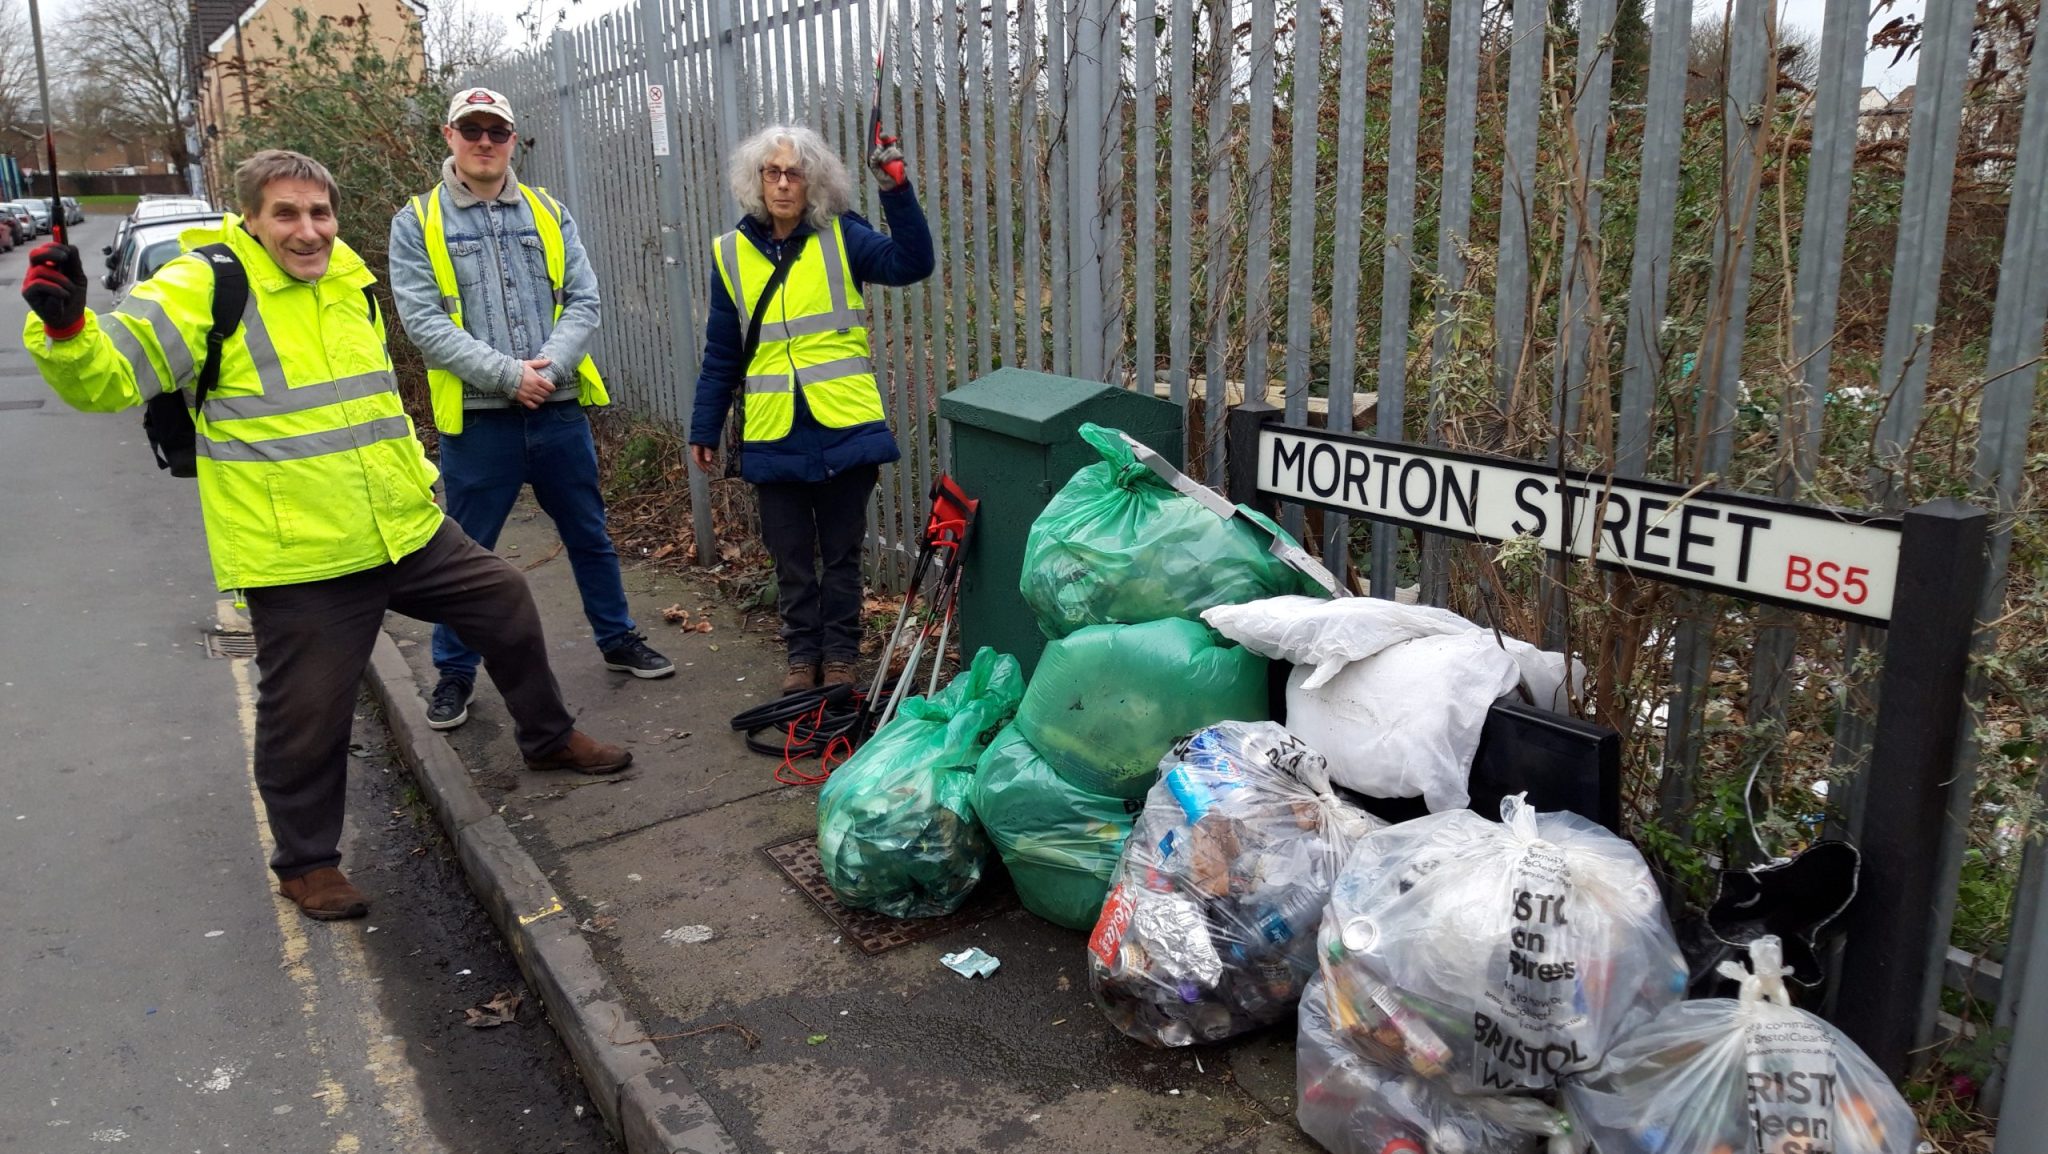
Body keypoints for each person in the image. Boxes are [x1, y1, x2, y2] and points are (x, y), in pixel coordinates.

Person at [19, 150, 632, 922]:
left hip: (401, 526)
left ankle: (547, 737)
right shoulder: (206, 282)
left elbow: (368, 400)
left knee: (505, 599)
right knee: (306, 714)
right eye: (287, 214)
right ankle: (307, 864)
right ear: (250, 217)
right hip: (299, 552)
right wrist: (69, 327)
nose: (308, 231)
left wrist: (418, 480)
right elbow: (108, 376)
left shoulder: (348, 279)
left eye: (320, 213)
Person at [390, 86, 672, 733]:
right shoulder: (419, 221)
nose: (485, 141)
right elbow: (424, 321)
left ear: (513, 140)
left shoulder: (547, 211)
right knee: (464, 558)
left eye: (497, 131)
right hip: (481, 424)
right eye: (472, 130)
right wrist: (507, 375)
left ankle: (618, 639)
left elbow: (584, 299)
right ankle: (454, 674)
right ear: (450, 136)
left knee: (590, 536)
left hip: (557, 412)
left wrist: (548, 370)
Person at [688, 124, 933, 695]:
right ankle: (803, 659)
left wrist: (896, 189)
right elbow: (723, 351)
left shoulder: (843, 236)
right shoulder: (731, 254)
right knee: (791, 558)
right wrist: (706, 425)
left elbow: (911, 263)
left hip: (844, 424)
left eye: (793, 173)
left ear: (813, 182)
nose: (781, 183)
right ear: (756, 181)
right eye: (771, 173)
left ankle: (841, 660)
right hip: (774, 432)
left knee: (842, 554)